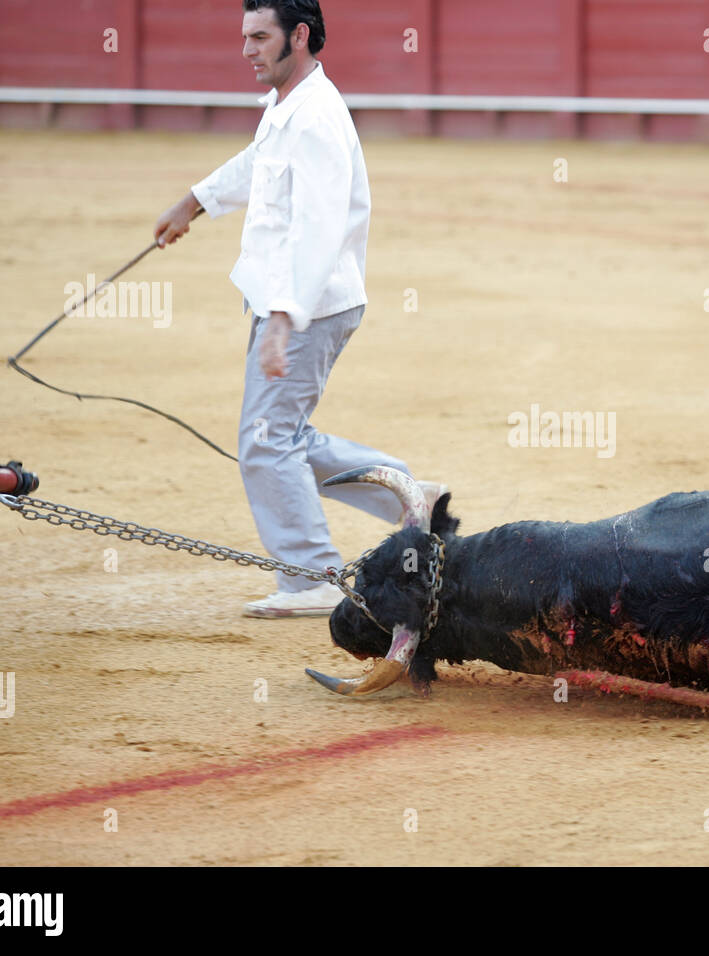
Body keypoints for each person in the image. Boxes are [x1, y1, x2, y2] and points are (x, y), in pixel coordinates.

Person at [153, 0, 445, 619]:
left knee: (265, 441)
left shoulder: (317, 119)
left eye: (261, 37)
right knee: (284, 435)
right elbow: (258, 166)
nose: (248, 49)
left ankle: (312, 576)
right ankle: (413, 499)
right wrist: (195, 202)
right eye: (245, 37)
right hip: (289, 299)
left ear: (300, 36)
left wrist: (286, 319)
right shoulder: (288, 105)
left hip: (310, 304)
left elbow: (319, 228)